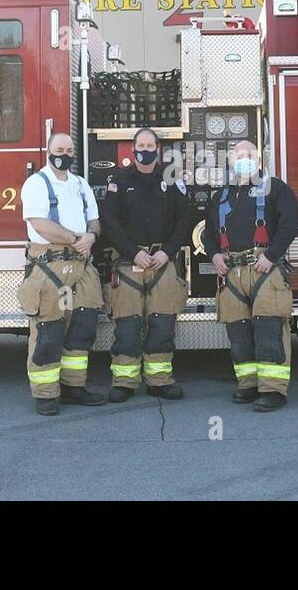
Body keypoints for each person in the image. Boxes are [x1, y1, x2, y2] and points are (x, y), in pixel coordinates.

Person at [201, 140, 298, 412]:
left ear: (259, 159)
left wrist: (271, 255)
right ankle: (249, 384)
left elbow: (291, 224)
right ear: (231, 162)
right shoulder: (220, 197)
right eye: (239, 155)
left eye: (250, 154)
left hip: (264, 269)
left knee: (269, 330)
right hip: (232, 273)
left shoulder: (276, 188)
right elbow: (208, 234)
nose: (244, 159)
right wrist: (214, 256)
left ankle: (273, 390)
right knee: (239, 333)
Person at [17, 132, 106, 416]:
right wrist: (74, 238)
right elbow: (39, 223)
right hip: (50, 265)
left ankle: (73, 387)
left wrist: (91, 237)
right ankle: (45, 393)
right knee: (48, 330)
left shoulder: (81, 185)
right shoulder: (36, 184)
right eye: (59, 149)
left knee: (82, 328)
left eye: (69, 150)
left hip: (81, 266)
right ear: (48, 150)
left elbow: (95, 221)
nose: (64, 154)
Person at [99, 127, 190, 402]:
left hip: (163, 262)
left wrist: (168, 252)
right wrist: (132, 252)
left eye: (151, 144)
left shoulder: (172, 180)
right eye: (141, 144)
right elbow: (110, 223)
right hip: (128, 263)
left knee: (162, 322)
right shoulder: (119, 179)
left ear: (158, 149)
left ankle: (159, 379)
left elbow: (184, 219)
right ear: (133, 148)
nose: (146, 148)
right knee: (127, 322)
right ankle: (124, 381)